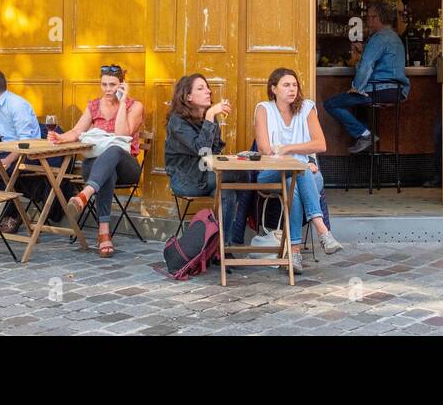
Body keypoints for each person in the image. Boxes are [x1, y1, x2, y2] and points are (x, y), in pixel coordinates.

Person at [255, 67, 343, 273]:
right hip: (271, 172)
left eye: (294, 85)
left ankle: (294, 253)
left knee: (292, 181)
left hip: (307, 175)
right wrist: (299, 161)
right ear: (273, 89)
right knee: (298, 170)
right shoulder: (263, 109)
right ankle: (322, 230)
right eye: (286, 85)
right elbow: (264, 149)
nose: (292, 89)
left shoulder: (306, 108)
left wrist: (289, 149)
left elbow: (321, 144)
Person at [54, 64, 144, 258]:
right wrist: (61, 138)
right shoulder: (93, 105)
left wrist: (122, 102)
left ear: (122, 85)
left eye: (113, 85)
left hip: (126, 165)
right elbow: (78, 131)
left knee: (114, 148)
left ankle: (84, 195)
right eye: (104, 84)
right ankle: (104, 233)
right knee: (105, 172)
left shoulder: (134, 106)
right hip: (97, 169)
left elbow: (121, 134)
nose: (108, 89)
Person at [164, 73, 247, 246]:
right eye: (201, 88)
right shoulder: (177, 122)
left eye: (207, 87)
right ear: (188, 96)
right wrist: (210, 116)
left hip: (206, 175)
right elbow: (202, 150)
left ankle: (222, 248)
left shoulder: (209, 117)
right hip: (186, 179)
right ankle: (224, 246)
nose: (208, 91)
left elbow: (214, 151)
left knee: (228, 191)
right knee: (240, 176)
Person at [322, 0, 410, 154]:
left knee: (331, 104)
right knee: (360, 108)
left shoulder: (379, 38)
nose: (367, 21)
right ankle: (364, 142)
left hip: (380, 89)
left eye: (370, 17)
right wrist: (365, 49)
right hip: (396, 91)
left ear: (378, 18)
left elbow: (366, 66)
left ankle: (365, 135)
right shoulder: (394, 37)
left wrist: (357, 87)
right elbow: (384, 61)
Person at [0, 68, 44, 235]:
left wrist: (9, 160)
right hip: (2, 152)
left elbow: (26, 142)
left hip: (26, 155)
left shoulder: (17, 105)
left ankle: (14, 214)